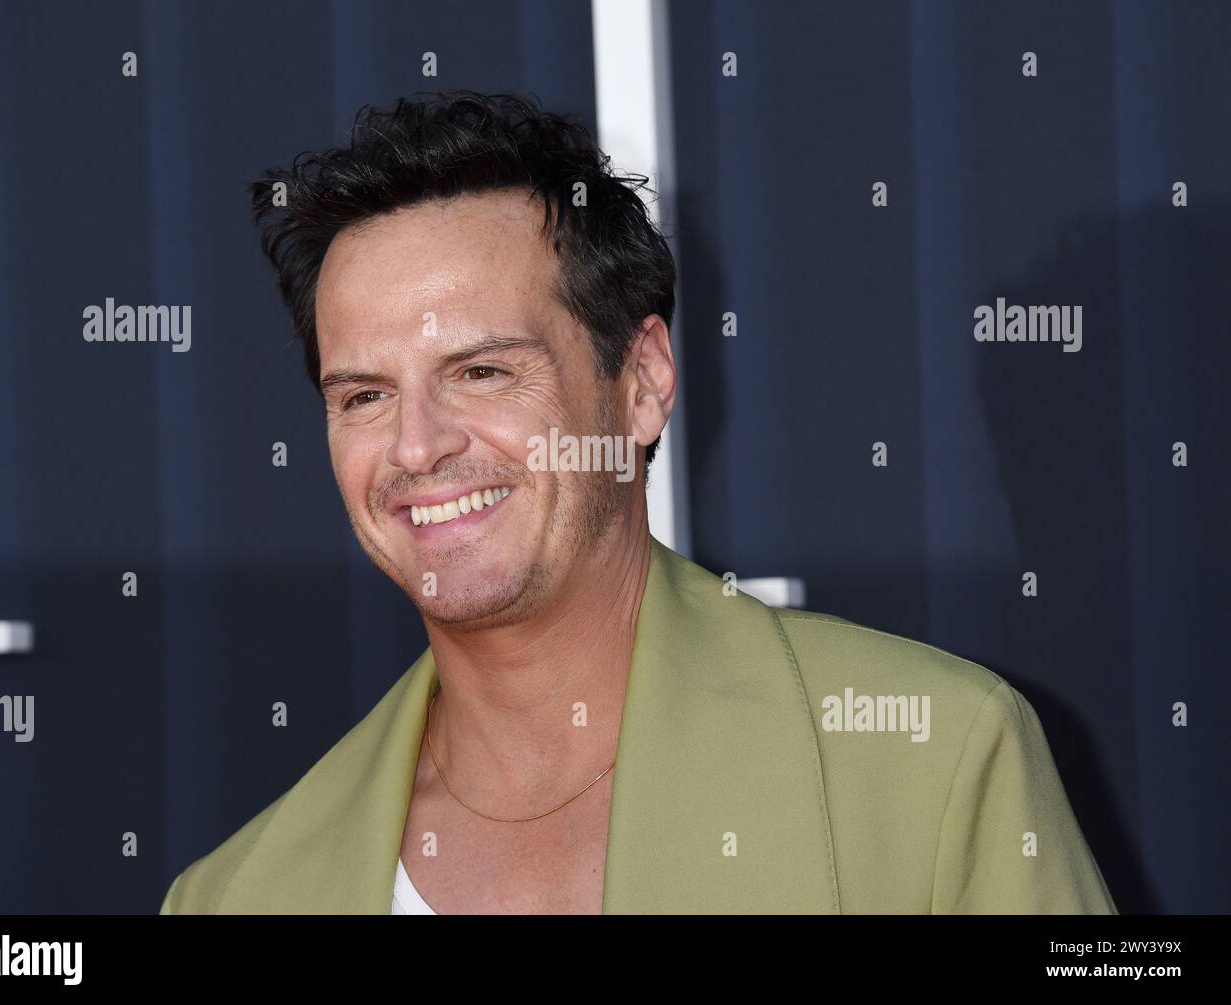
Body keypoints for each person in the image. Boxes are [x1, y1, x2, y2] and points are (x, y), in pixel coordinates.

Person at [159, 90, 1116, 915]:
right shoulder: (239, 894)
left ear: (644, 380)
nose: (417, 446)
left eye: (483, 370)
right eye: (364, 394)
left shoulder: (935, 764)